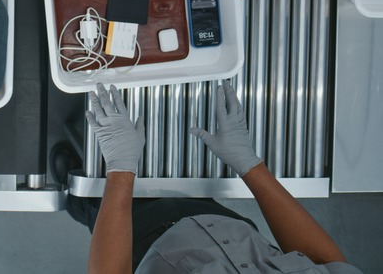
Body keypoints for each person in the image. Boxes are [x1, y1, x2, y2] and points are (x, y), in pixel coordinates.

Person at [70, 81, 360, 273]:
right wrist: (250, 165)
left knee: (81, 184)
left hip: (138, 239)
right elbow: (327, 263)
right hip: (218, 220)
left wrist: (120, 172)